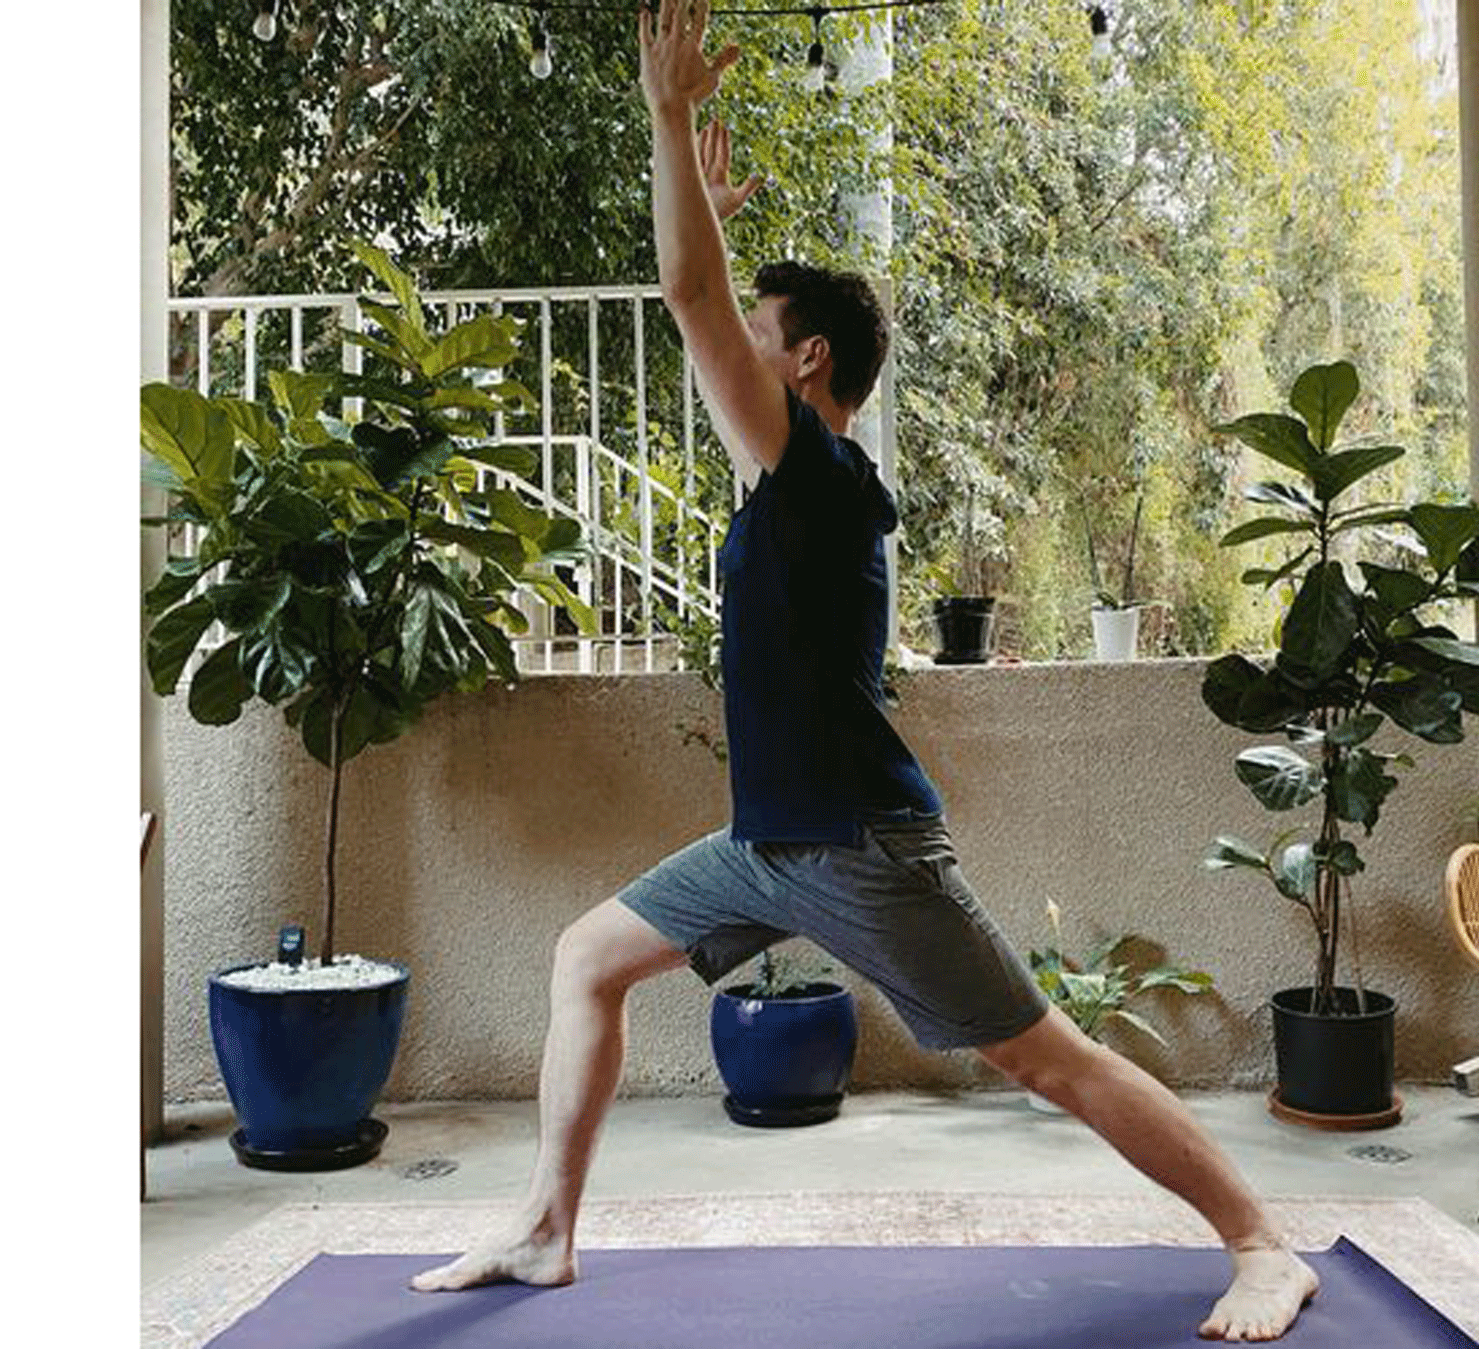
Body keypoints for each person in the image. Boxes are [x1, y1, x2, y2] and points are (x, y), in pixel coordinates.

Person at [412, 3, 1318, 1339]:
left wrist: (668, 113)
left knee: (1049, 1060)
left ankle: (1260, 1245)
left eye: (757, 335)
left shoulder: (820, 479)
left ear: (809, 360)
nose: (727, 355)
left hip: (857, 847)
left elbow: (689, 299)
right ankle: (548, 1229)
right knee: (587, 958)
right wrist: (699, 204)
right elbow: (702, 307)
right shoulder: (791, 485)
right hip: (768, 843)